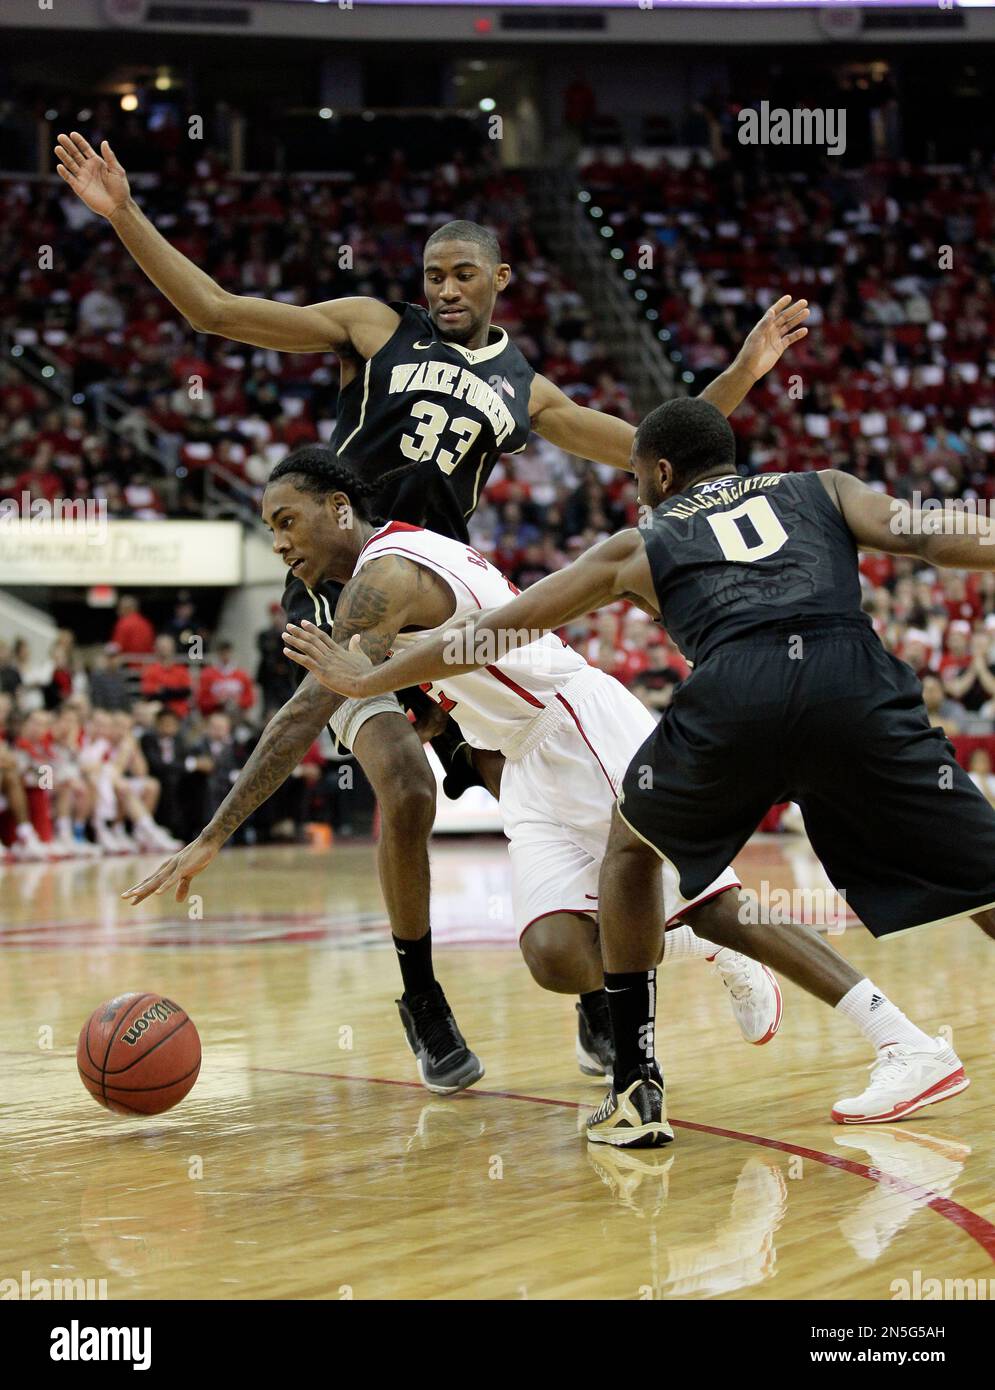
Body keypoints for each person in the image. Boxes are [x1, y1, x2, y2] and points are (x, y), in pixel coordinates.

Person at [60, 129, 807, 1092]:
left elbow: (659, 453)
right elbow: (214, 312)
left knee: (528, 781)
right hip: (346, 594)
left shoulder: (522, 385)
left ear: (499, 277)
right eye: (431, 275)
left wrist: (742, 372)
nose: (443, 289)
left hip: (445, 597)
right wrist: (125, 214)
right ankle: (420, 994)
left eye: (461, 274)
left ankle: (603, 981)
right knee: (405, 790)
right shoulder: (373, 327)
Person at [304, 397, 995, 1144]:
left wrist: (373, 678)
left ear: (660, 472)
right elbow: (924, 533)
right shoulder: (821, 485)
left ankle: (636, 1090)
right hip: (854, 680)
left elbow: (492, 632)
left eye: (636, 476)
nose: (634, 491)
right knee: (980, 873)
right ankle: (890, 1043)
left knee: (631, 853)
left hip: (735, 694)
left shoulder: (641, 540)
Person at [126, 452, 785, 1085]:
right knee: (556, 950)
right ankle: (667, 984)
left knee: (708, 903)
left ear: (340, 507)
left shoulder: (381, 578)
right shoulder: (398, 552)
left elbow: (301, 717)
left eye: (286, 521)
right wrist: (439, 707)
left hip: (575, 727)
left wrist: (212, 835)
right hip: (523, 747)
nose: (277, 542)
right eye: (269, 527)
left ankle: (876, 1029)